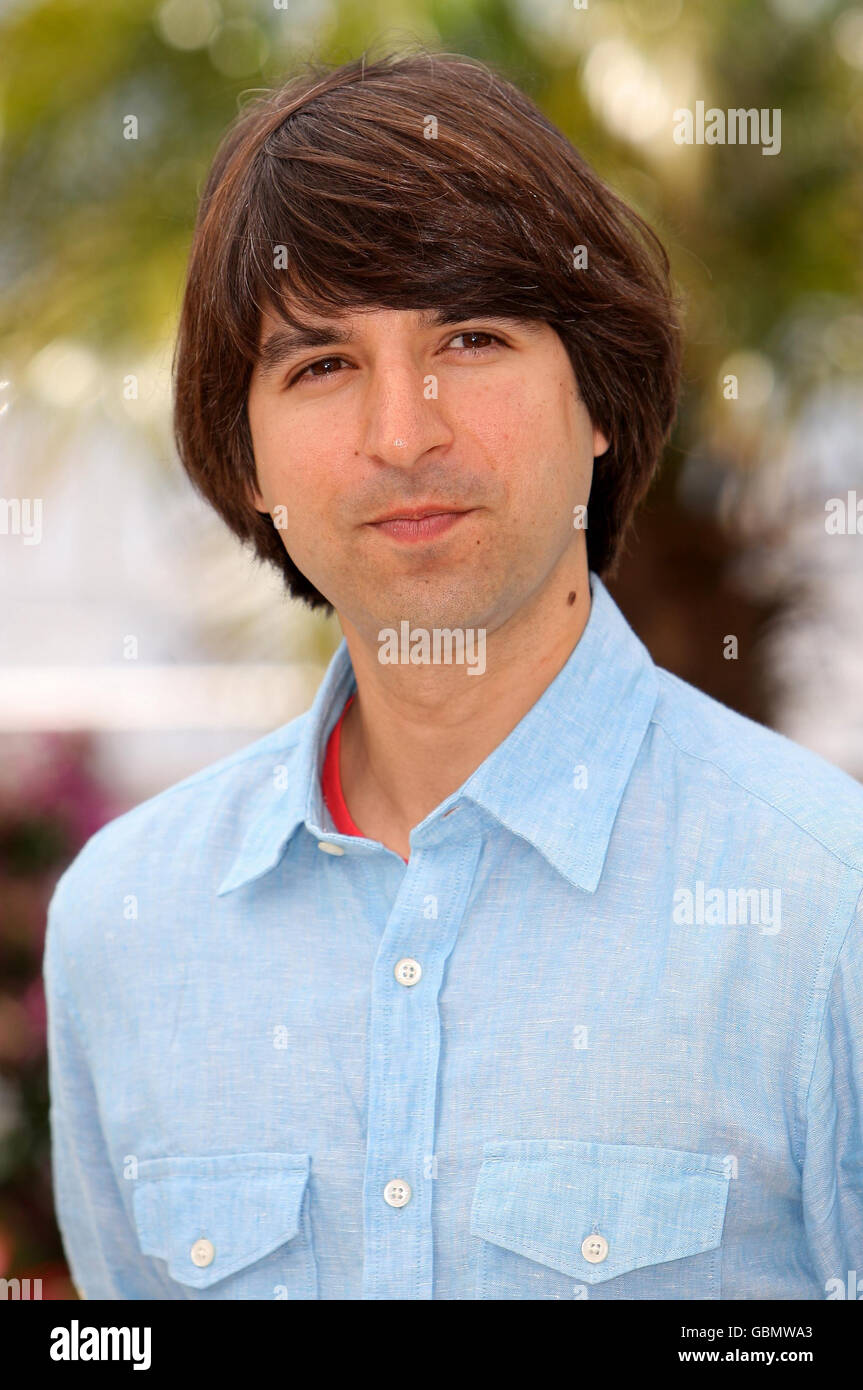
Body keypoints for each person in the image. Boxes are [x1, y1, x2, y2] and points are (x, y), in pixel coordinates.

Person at [44, 48, 862, 1301]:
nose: (401, 432)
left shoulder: (822, 905)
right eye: (319, 365)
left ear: (597, 398)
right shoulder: (124, 926)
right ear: (246, 455)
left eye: (469, 338)